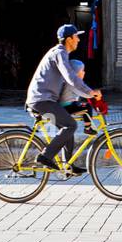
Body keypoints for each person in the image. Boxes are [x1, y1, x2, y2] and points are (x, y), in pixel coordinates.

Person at [26, 24, 103, 175]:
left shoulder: (61, 53)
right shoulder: (59, 53)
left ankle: (68, 165)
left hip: (45, 99)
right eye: (76, 37)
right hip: (42, 100)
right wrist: (90, 92)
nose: (79, 40)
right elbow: (71, 78)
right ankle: (45, 156)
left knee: (67, 125)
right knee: (70, 126)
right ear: (69, 39)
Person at [62, 58, 108, 135]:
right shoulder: (72, 82)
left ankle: (87, 126)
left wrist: (92, 93)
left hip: (68, 104)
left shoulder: (73, 81)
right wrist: (93, 95)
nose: (84, 72)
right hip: (65, 107)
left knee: (83, 106)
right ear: (76, 72)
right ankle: (87, 128)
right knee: (87, 107)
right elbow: (83, 92)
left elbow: (84, 88)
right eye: (82, 71)